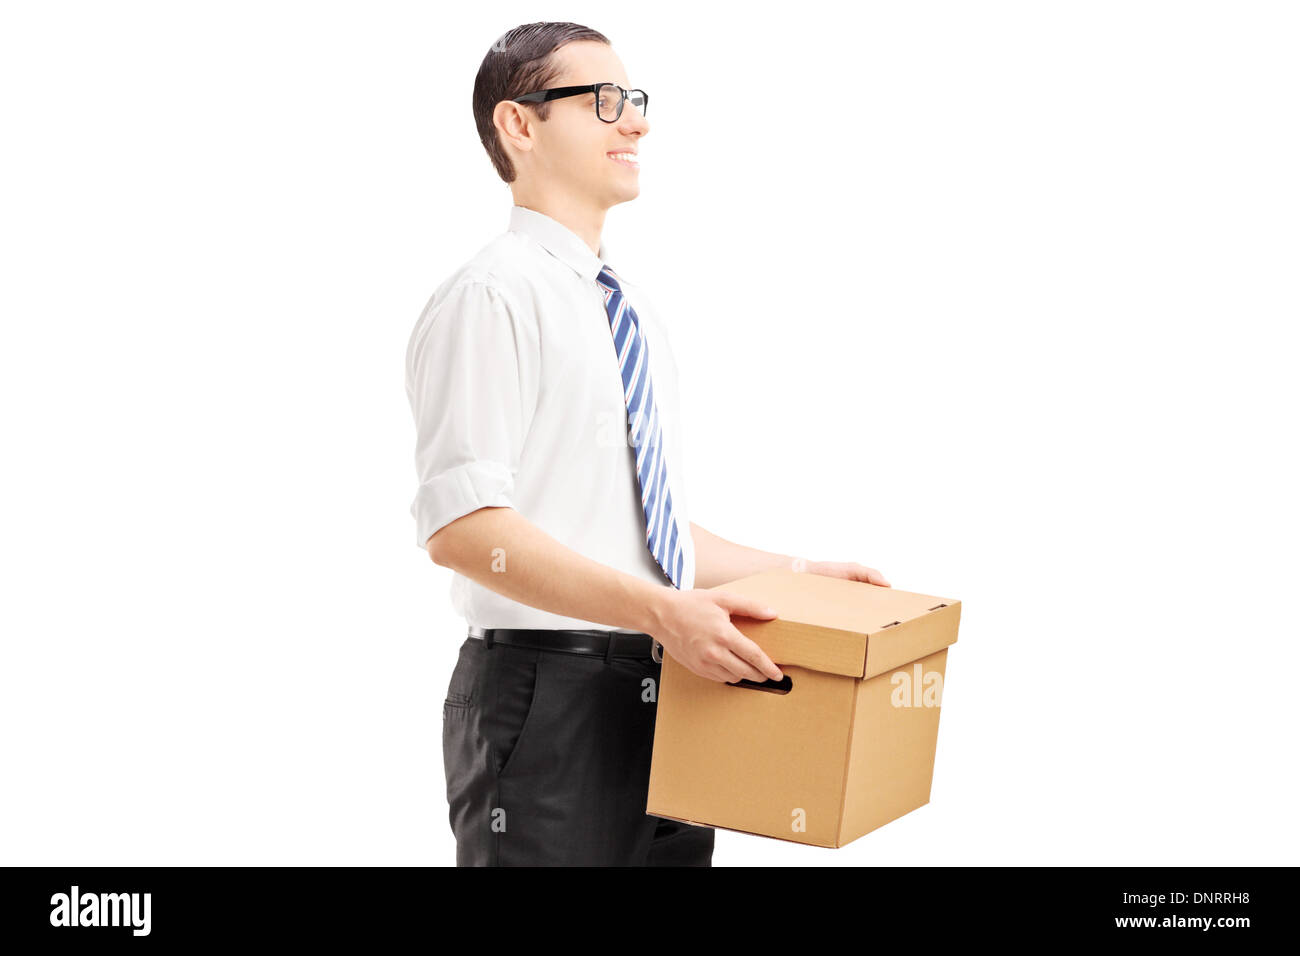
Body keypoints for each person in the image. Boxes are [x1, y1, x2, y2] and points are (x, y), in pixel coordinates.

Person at [405, 21, 891, 866]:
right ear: (519, 125)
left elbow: (640, 532)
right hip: (547, 695)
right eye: (601, 102)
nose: (635, 123)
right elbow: (466, 530)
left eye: (634, 101)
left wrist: (803, 577)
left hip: (668, 688)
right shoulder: (493, 296)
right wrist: (663, 612)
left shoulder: (627, 312)